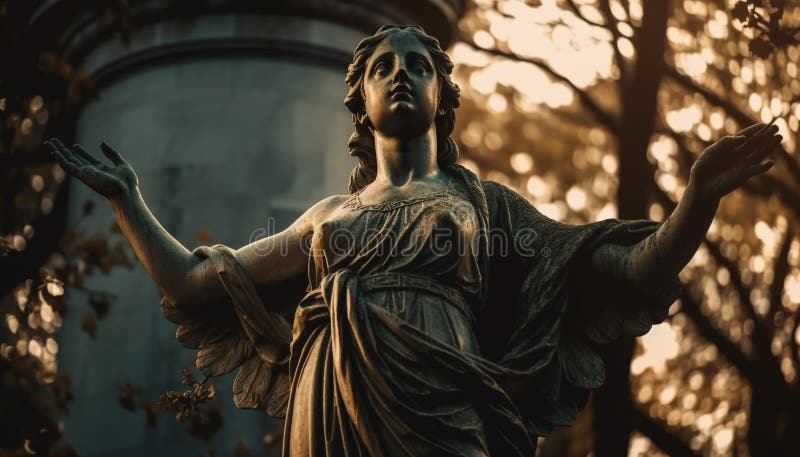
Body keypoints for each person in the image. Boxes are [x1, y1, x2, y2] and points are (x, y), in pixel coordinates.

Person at [47, 25, 783, 457]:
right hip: (329, 396)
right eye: (384, 68)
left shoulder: (485, 204)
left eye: (419, 66)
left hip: (443, 396)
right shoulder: (323, 218)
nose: (401, 75)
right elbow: (193, 284)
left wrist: (696, 199)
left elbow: (629, 267)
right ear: (361, 102)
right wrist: (128, 200)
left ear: (443, 96)